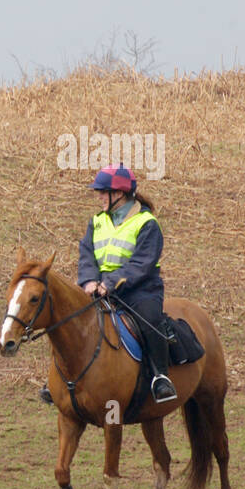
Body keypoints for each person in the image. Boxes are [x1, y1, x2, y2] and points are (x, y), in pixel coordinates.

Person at [77, 163, 177, 403]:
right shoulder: (97, 221)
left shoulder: (147, 223)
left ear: (118, 194)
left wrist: (109, 283)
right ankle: (62, 381)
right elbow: (86, 253)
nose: (99, 196)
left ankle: (160, 378)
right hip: (99, 289)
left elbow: (141, 263)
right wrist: (89, 281)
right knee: (68, 320)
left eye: (103, 191)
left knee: (150, 322)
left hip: (139, 290)